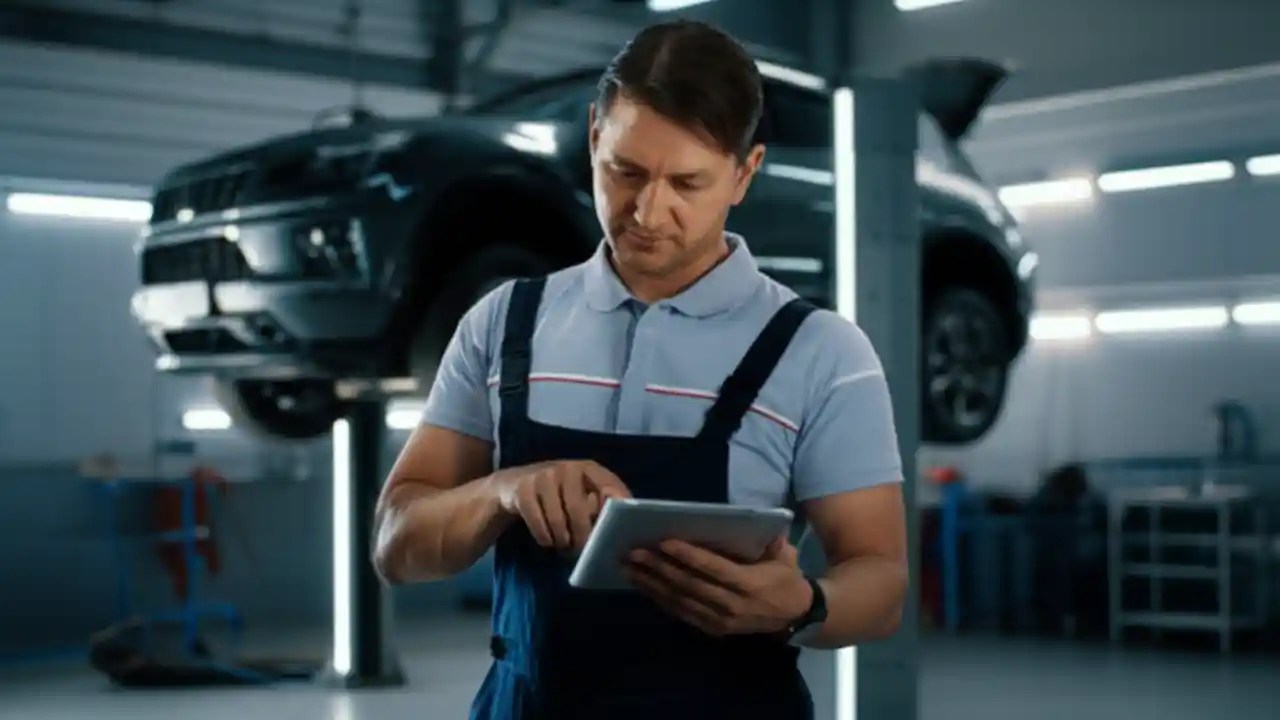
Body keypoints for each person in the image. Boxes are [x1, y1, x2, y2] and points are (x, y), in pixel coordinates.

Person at [373, 19, 908, 720]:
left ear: (745, 173)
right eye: (626, 171)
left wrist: (805, 603)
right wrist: (503, 492)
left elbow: (883, 581)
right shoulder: (504, 325)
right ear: (594, 135)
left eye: (688, 182)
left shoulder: (825, 354)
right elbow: (396, 546)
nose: (649, 211)